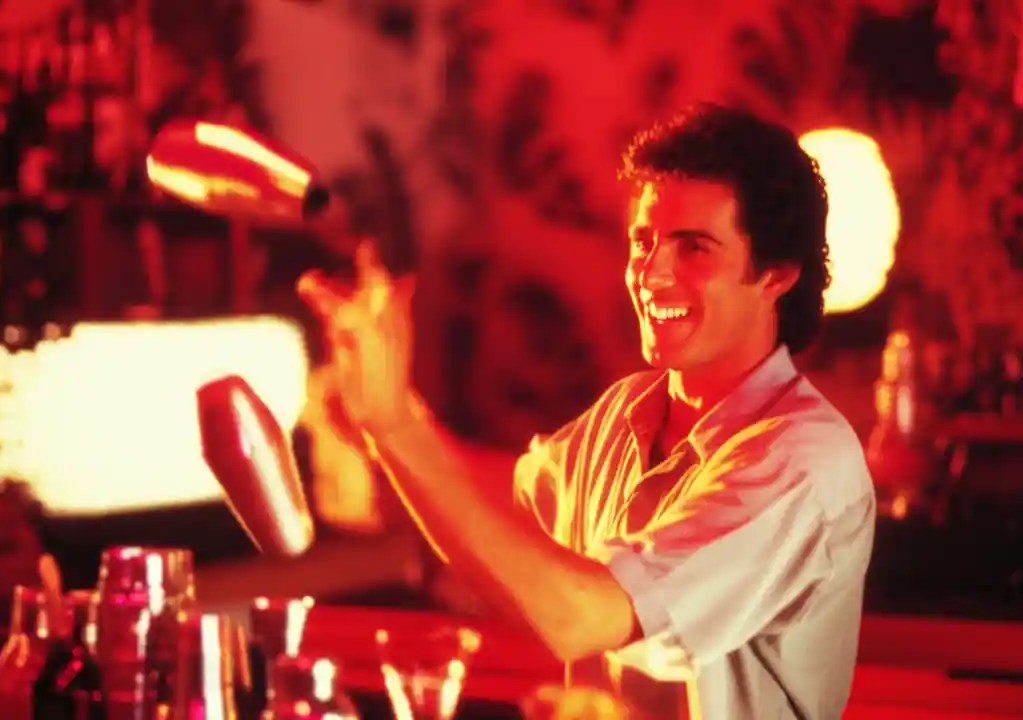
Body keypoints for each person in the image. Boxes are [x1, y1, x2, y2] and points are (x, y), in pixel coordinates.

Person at [298, 103, 876, 720]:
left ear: (776, 276)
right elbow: (502, 509)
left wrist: (396, 426)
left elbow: (579, 616)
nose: (651, 274)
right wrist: (374, 421)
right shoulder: (628, 411)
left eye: (694, 249)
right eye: (644, 241)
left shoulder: (803, 461)